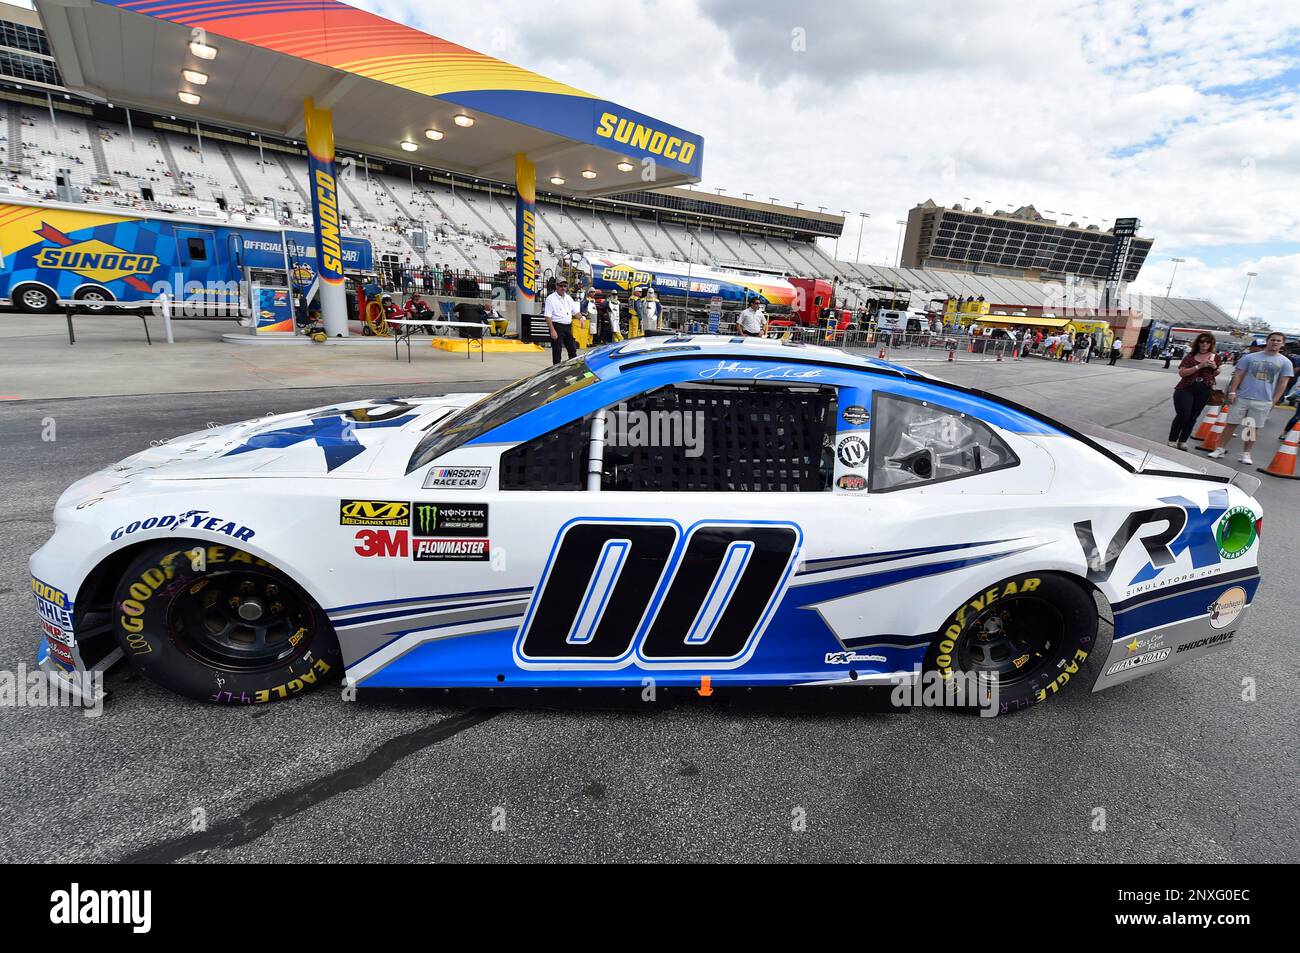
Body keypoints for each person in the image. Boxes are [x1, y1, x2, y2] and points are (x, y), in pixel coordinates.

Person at [1209, 331, 1294, 464]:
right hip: (1242, 397)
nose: (1275, 342)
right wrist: (1232, 392)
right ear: (1267, 341)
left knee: (1252, 427)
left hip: (1264, 400)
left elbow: (1283, 382)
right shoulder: (1250, 357)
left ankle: (1245, 453)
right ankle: (1220, 449)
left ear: (1283, 344)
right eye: (1273, 340)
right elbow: (1238, 375)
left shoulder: (1285, 362)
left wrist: (1274, 400)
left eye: (1278, 341)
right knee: (1231, 424)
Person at [1168, 332, 1220, 450]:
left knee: (1193, 417)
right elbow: (1182, 373)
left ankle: (1182, 441)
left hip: (1204, 389)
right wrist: (1199, 366)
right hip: (1186, 387)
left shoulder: (1215, 357)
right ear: (1198, 343)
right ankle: (1172, 439)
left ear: (1211, 344)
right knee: (1183, 415)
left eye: (1208, 342)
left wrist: (1214, 368)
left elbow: (1217, 372)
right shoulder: (1190, 356)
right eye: (1202, 341)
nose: (1205, 344)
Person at [544, 276, 578, 364]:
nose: (563, 288)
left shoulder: (568, 298)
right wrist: (552, 330)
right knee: (557, 350)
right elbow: (548, 316)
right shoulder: (551, 299)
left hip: (567, 326)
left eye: (565, 286)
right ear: (556, 286)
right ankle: (556, 369)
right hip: (557, 326)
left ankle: (573, 367)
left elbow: (575, 312)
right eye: (560, 286)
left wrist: (581, 318)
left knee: (572, 349)